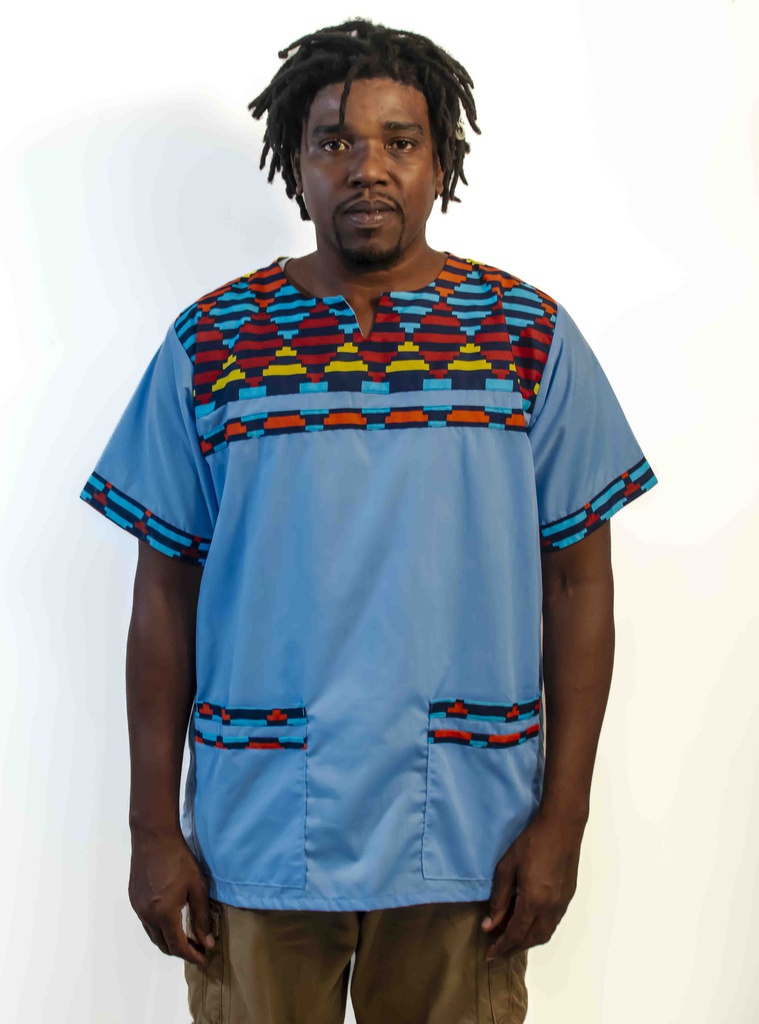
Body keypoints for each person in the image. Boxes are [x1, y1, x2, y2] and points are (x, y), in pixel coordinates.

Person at [79, 18, 658, 1024]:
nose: (367, 168)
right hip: (259, 832)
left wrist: (563, 819)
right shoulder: (213, 343)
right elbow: (164, 594)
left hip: (467, 830)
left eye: (399, 141)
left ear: (442, 160)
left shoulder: (525, 338)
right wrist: (151, 829)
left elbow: (578, 584)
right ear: (296, 163)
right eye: (334, 141)